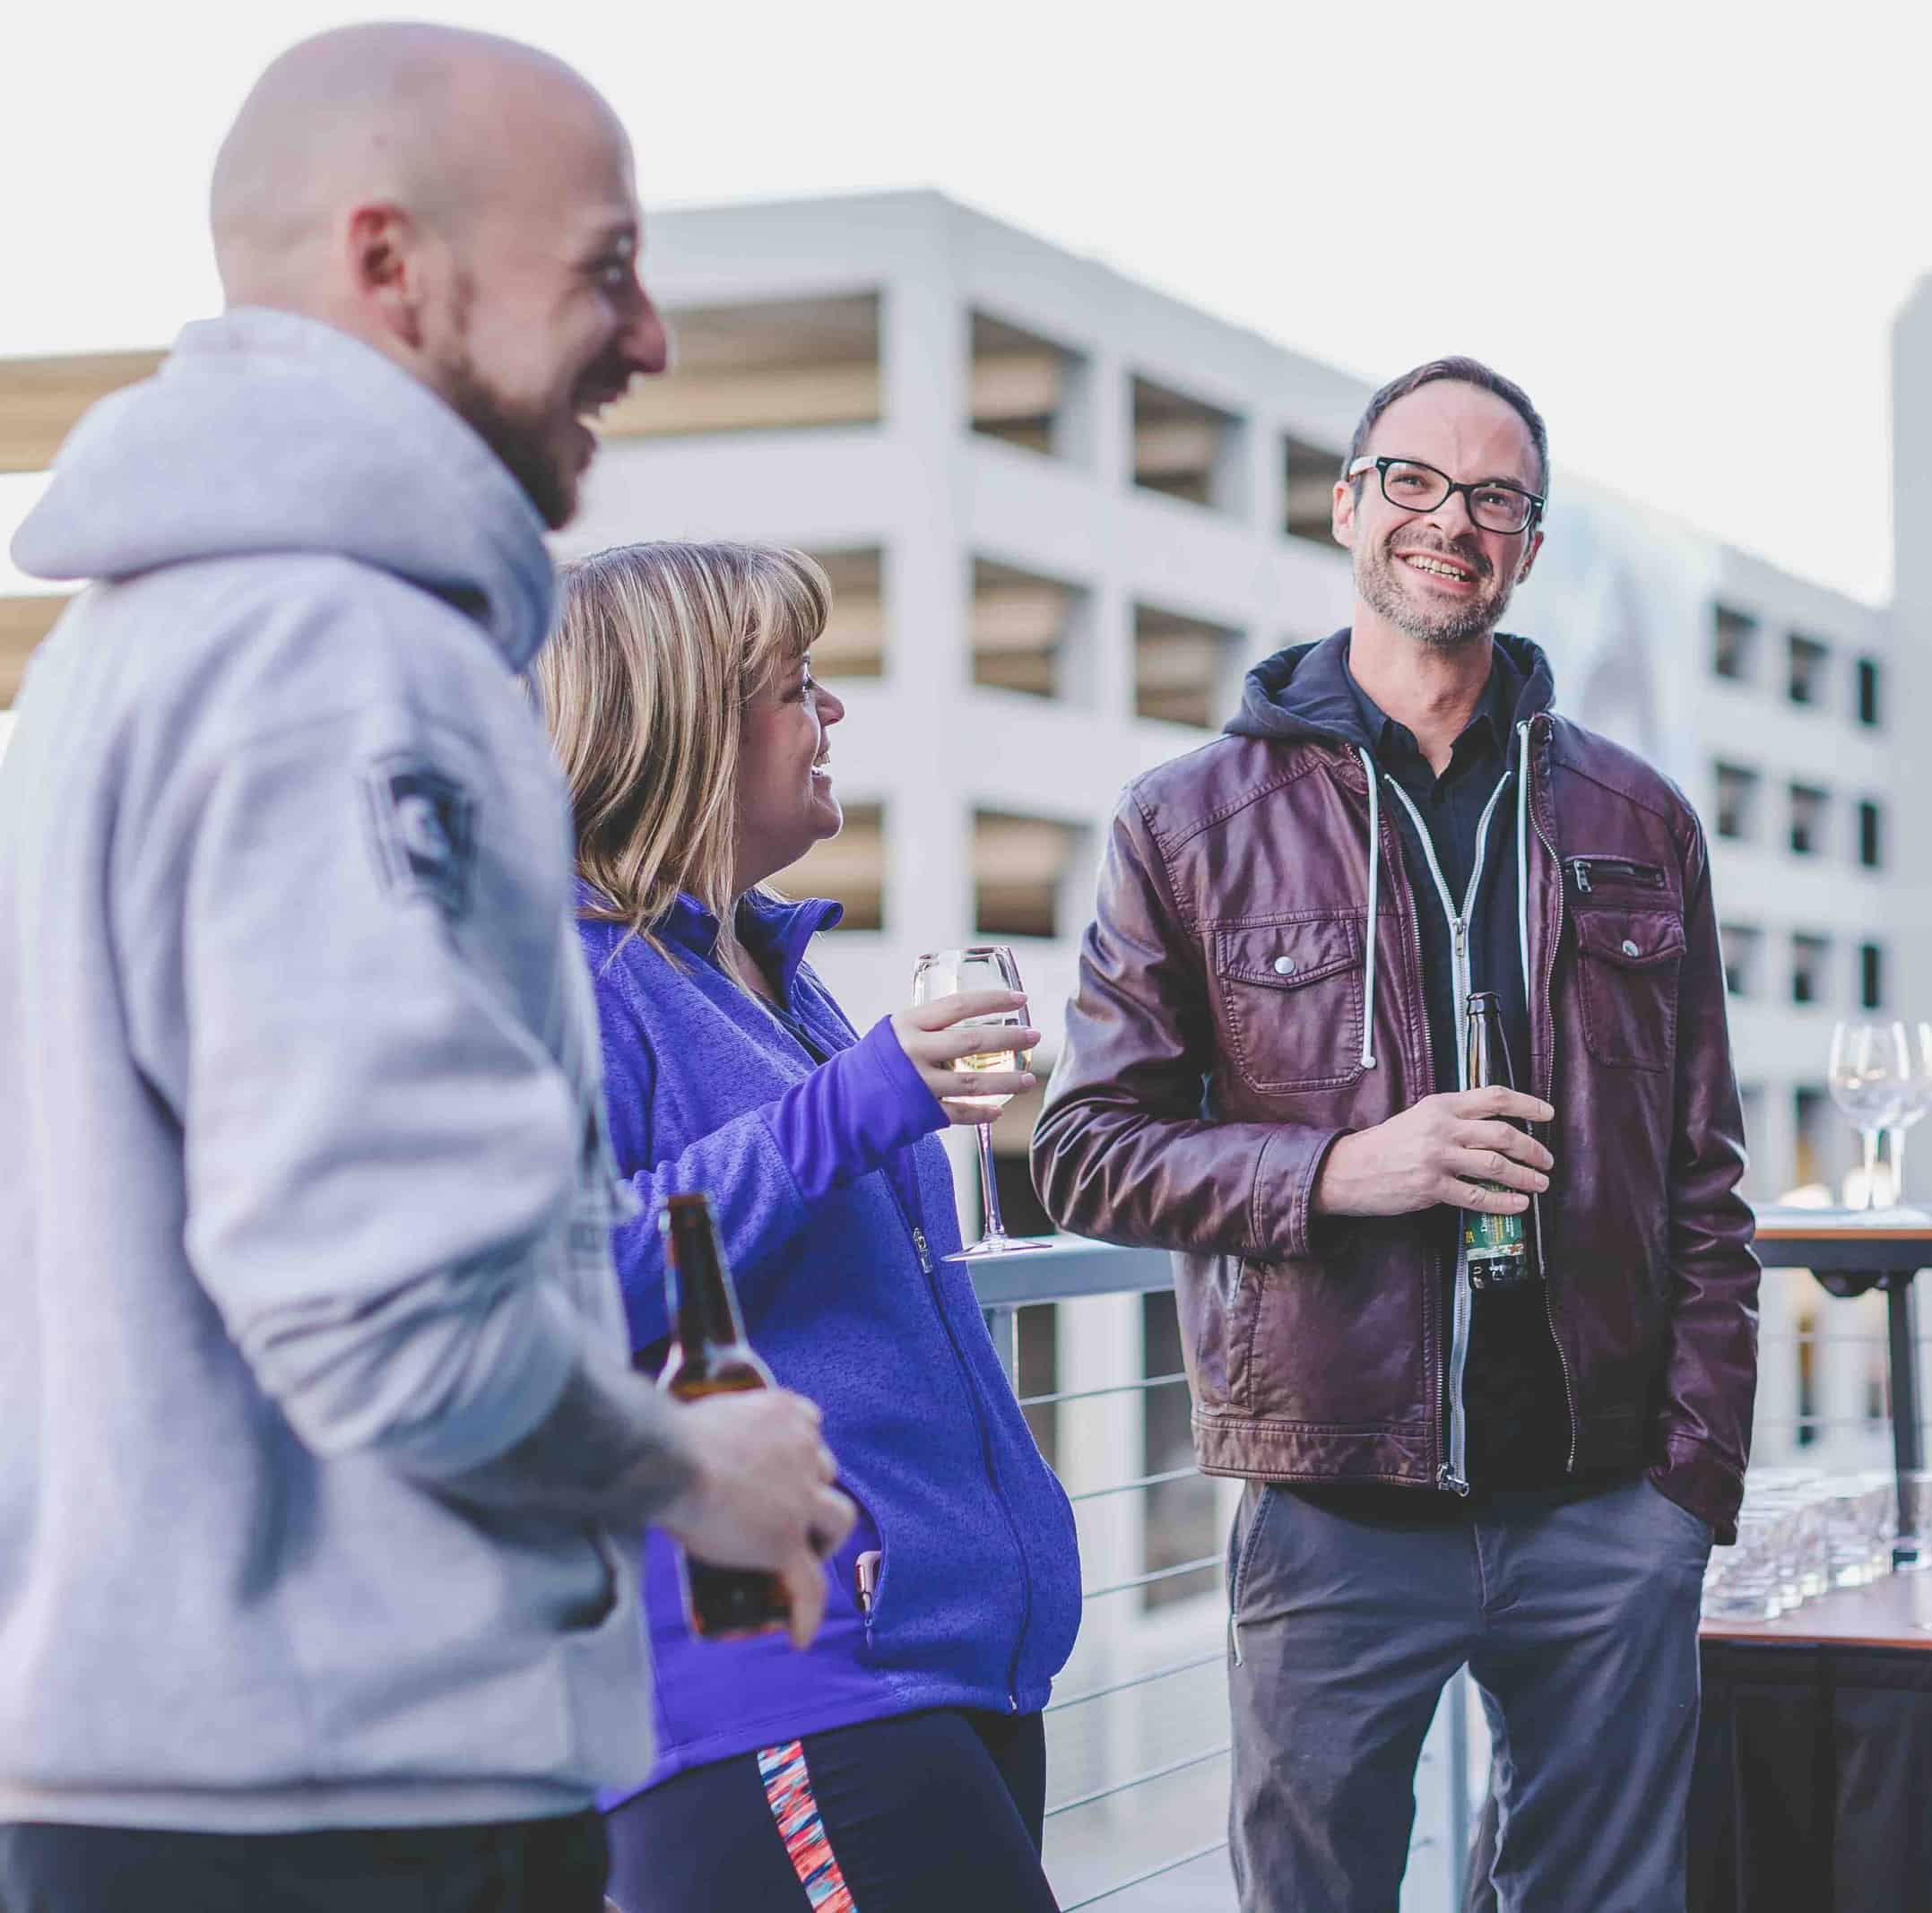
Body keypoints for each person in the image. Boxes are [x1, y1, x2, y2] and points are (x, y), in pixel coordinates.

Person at [0, 27, 852, 1912]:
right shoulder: (346, 666)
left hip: (184, 1768)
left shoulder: (128, 656)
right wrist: (693, 1468)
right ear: (391, 263)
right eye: (607, 268)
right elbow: (387, 1312)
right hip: (347, 1798)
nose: (651, 342)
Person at [1031, 356, 1759, 1910]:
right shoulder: (1188, 822)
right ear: (1352, 506)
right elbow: (1087, 1143)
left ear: (1530, 544)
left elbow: (1708, 1173)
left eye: (1496, 496)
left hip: (1604, 1503)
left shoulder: (1638, 823)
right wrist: (1340, 1172)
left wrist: (1690, 1485)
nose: (1455, 520)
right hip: (1334, 1509)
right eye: (1417, 482)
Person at [538, 541, 1081, 1913]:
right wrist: (861, 1102)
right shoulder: (575, 970)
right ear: (685, 729)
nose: (831, 714)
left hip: (941, 1668)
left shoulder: (772, 972)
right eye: (796, 687)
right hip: (779, 1687)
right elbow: (574, 1273)